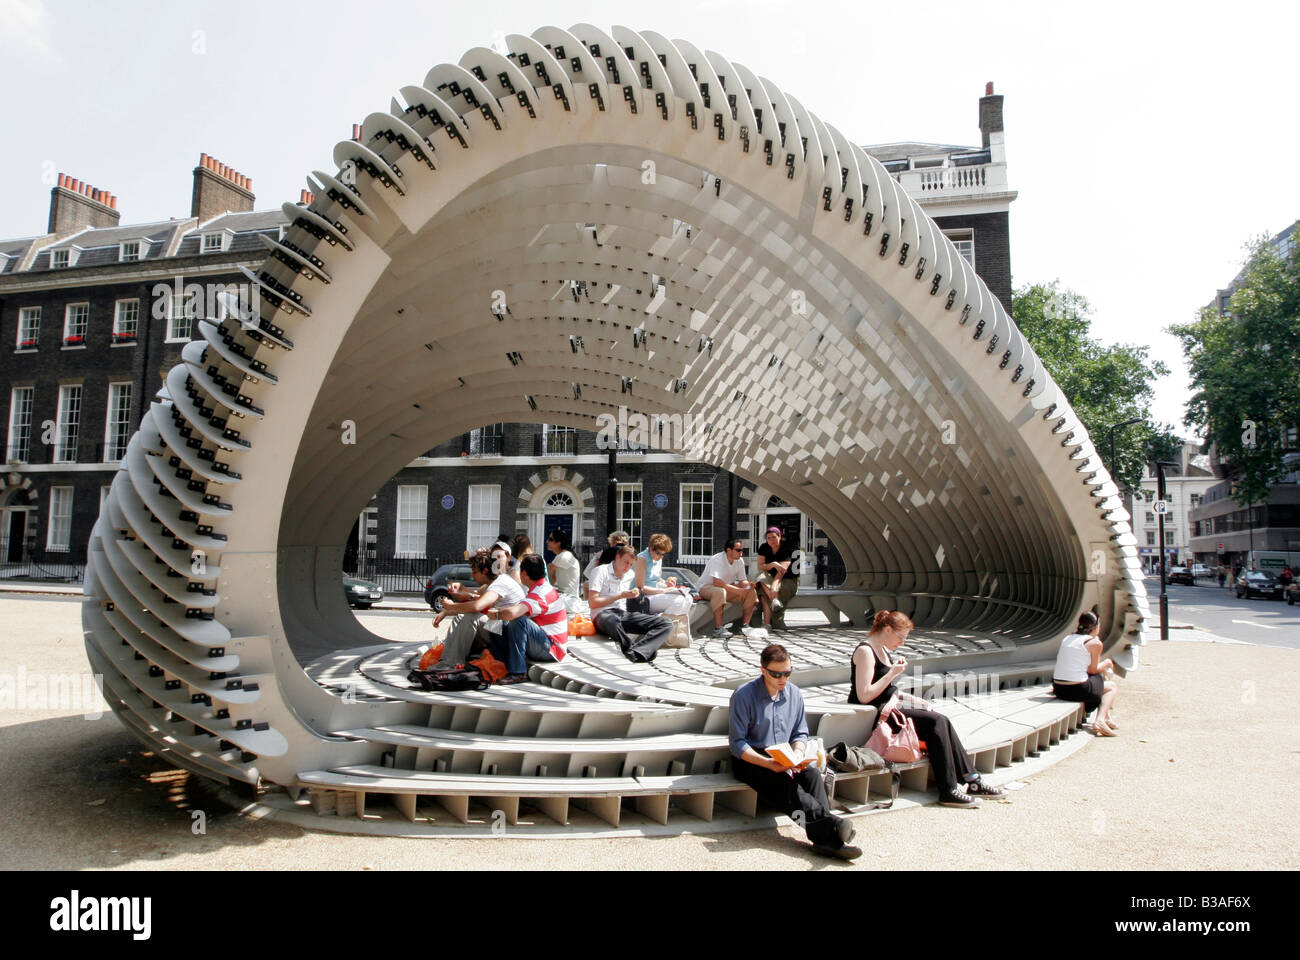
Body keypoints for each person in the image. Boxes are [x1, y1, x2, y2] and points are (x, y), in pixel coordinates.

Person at [850, 610, 1005, 807]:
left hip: (890, 708)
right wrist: (892, 673)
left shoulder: (882, 650)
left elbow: (888, 691)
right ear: (888, 630)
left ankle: (973, 781)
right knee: (936, 722)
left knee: (942, 719)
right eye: (901, 637)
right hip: (878, 715)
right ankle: (948, 789)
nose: (902, 643)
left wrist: (914, 700)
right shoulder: (865, 651)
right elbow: (864, 696)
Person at [729, 643, 861, 860]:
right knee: (786, 787)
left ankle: (825, 839)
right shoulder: (744, 695)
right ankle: (833, 827)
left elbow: (800, 733)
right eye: (776, 674)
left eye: (787, 673)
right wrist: (768, 763)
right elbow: (737, 743)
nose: (783, 678)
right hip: (752, 759)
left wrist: (798, 754)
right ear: (763, 671)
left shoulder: (794, 693)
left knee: (811, 776)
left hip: (784, 755)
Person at [485, 554, 569, 684]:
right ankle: (501, 664)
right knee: (504, 623)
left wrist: (496, 614)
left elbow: (514, 613)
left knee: (518, 621)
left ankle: (518, 672)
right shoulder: (542, 588)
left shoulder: (539, 593)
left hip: (552, 649)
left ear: (524, 574)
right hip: (548, 642)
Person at [433, 550, 527, 666]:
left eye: (474, 572)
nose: (472, 575)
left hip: (510, 634)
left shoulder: (499, 584)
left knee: (472, 617)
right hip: (501, 629)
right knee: (462, 616)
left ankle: (451, 664)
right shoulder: (494, 583)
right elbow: (476, 597)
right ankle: (446, 661)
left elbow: (478, 606)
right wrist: (447, 610)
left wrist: (452, 606)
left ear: (485, 571)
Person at [587, 545, 673, 662]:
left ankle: (639, 651)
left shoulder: (630, 575)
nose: (628, 567)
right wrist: (620, 595)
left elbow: (631, 593)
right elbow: (593, 603)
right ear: (617, 557)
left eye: (631, 564)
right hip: (602, 614)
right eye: (626, 562)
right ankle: (630, 649)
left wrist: (634, 593)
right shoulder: (600, 571)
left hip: (622, 614)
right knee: (612, 621)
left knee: (666, 623)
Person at [1052, 611, 1120, 736]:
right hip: (1077, 690)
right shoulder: (1095, 643)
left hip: (1059, 688)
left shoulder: (1067, 638)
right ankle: (1100, 719)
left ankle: (1107, 717)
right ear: (1096, 626)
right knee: (1111, 686)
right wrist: (1107, 663)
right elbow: (1093, 670)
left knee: (1096, 679)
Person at [697, 538, 757, 639]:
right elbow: (717, 582)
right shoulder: (717, 559)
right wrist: (737, 590)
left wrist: (748, 586)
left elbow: (742, 580)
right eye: (738, 550)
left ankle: (744, 627)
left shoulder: (739, 561)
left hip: (725, 588)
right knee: (720, 592)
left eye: (742, 550)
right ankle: (718, 629)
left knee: (751, 592)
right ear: (729, 550)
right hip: (706, 587)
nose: (741, 553)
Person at [633, 533, 693, 616]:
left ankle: (673, 626)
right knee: (678, 601)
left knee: (689, 598)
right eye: (658, 553)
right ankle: (663, 625)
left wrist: (667, 584)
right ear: (651, 548)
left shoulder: (658, 559)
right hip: (641, 599)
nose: (661, 557)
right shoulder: (641, 559)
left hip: (654, 595)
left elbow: (656, 581)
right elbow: (640, 588)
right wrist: (664, 590)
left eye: (663, 554)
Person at [755, 527, 798, 629]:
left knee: (764, 593)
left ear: (779, 537)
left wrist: (773, 588)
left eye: (774, 537)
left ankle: (767, 624)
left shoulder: (787, 548)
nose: (771, 540)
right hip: (769, 578)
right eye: (769, 538)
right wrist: (773, 564)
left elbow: (781, 572)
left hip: (788, 579)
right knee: (760, 576)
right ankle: (774, 602)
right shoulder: (764, 547)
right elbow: (760, 567)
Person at [546, 529, 582, 610]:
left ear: (558, 543)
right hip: (568, 598)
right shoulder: (565, 555)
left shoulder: (563, 556)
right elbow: (553, 580)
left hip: (567, 600)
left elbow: (549, 581)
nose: (547, 541)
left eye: (551, 539)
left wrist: (549, 570)